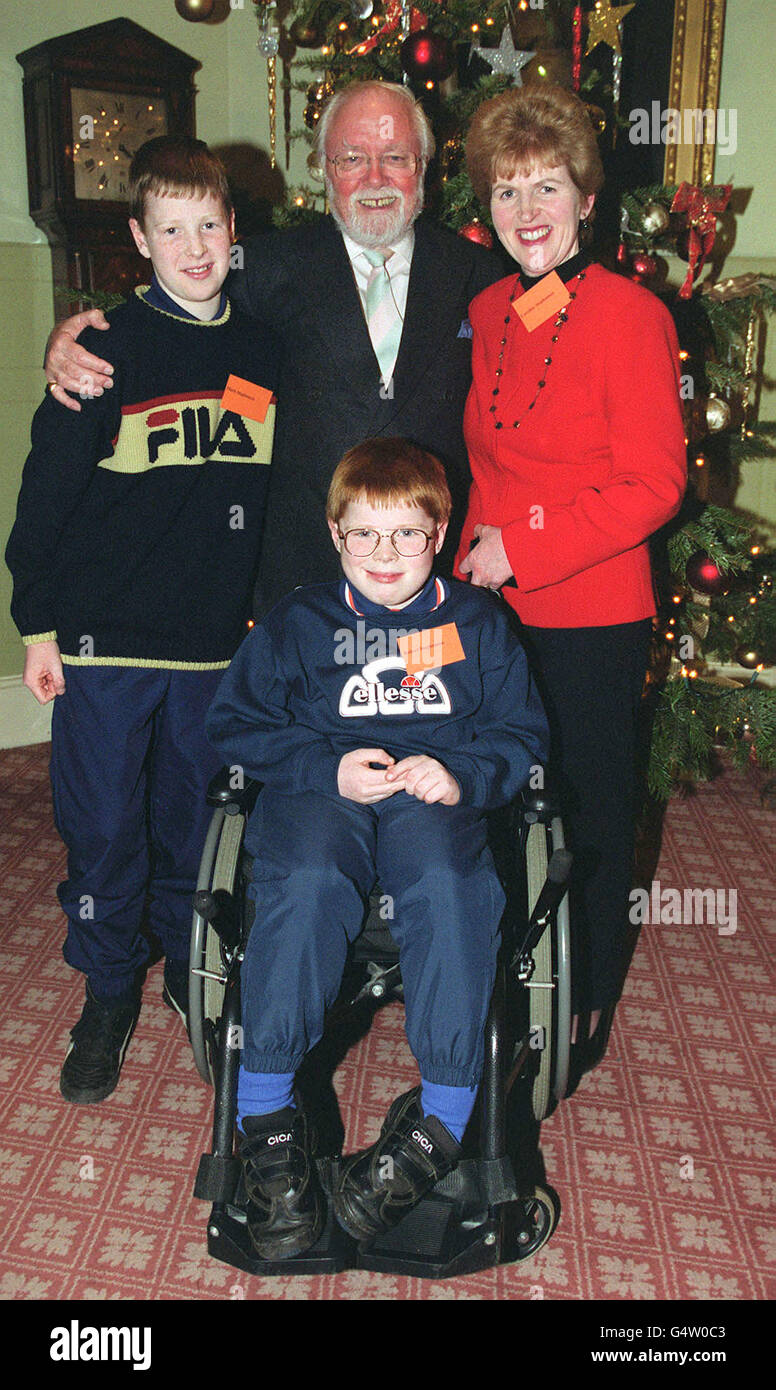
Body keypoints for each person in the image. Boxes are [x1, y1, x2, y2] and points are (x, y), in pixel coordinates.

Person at [205, 437, 549, 1259]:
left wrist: (461, 771)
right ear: (334, 534)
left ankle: (439, 1122)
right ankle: (267, 1123)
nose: (386, 554)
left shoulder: (477, 622)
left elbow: (521, 735)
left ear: (440, 535)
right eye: (365, 534)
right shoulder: (298, 622)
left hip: (431, 796)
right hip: (320, 793)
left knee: (449, 883)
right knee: (308, 877)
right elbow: (234, 725)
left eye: (407, 535)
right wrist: (324, 766)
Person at [5, 136, 278, 1104]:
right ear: (139, 237)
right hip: (103, 640)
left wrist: (253, 614)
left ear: (231, 228)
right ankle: (109, 988)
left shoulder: (259, 349)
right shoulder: (102, 351)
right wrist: (36, 622)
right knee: (106, 823)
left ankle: (188, 967)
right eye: (171, 228)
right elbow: (45, 494)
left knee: (196, 820)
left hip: (210, 646)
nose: (194, 245)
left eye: (208, 224)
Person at [42, 82, 502, 615]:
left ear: (423, 167)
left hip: (438, 584)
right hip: (296, 588)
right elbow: (171, 320)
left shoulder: (480, 274)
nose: (374, 179)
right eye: (353, 158)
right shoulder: (260, 268)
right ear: (327, 169)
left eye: (394, 157)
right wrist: (77, 342)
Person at [457, 86, 687, 1046]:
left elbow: (654, 484)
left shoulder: (632, 315)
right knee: (503, 800)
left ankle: (579, 1003)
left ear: (587, 198)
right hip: (496, 610)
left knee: (586, 816)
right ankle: (515, 977)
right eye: (508, 192)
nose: (527, 213)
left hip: (592, 612)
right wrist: (464, 573)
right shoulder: (486, 309)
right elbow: (486, 459)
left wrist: (526, 547)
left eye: (546, 187)